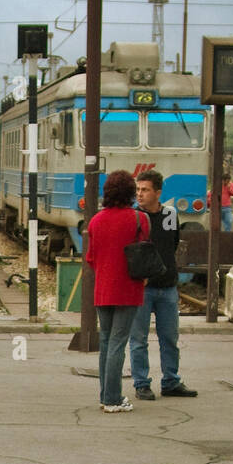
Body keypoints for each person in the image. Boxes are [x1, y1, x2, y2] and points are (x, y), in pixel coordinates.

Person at [128, 170, 197, 400]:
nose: (139, 194)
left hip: (167, 287)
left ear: (158, 193)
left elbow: (173, 243)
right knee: (138, 339)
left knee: (170, 338)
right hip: (142, 287)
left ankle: (171, 381)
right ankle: (141, 383)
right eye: (138, 189)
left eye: (145, 190)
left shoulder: (170, 214)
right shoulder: (134, 216)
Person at [85, 169, 148, 413]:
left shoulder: (95, 221)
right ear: (131, 193)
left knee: (106, 340)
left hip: (103, 289)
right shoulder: (139, 220)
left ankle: (105, 395)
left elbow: (91, 258)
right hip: (129, 287)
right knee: (118, 342)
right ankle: (113, 398)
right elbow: (144, 252)